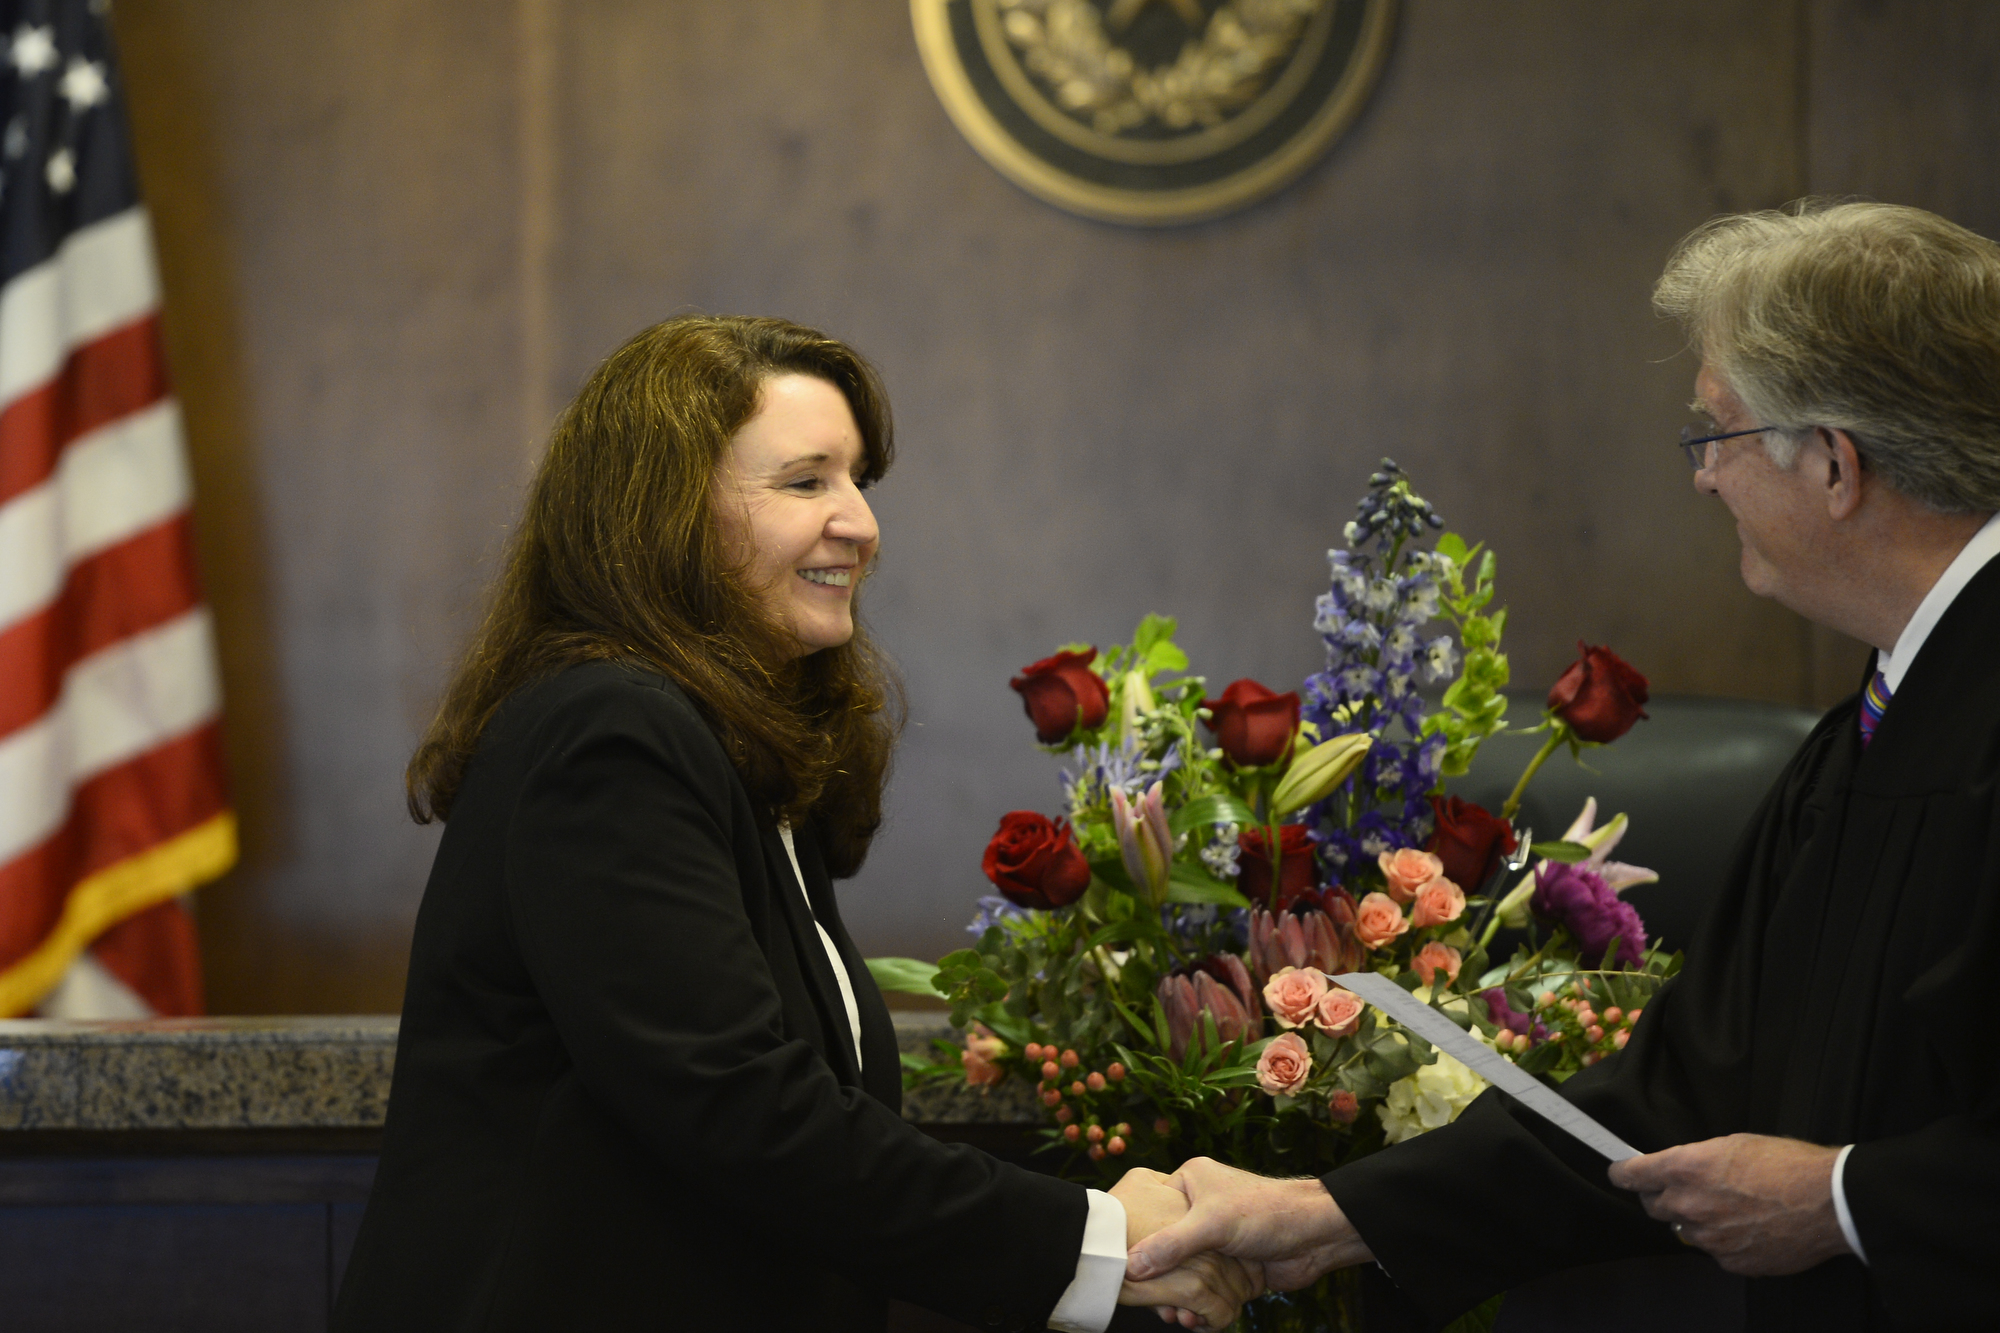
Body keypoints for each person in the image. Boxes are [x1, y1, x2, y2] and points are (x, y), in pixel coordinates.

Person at [1116, 201, 2000, 1332]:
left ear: (1831, 462)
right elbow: (1680, 1095)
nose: (1701, 479)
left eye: (1713, 434)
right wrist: (1323, 1214)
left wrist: (1844, 1200)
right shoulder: (1875, 727)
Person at [331, 315, 1254, 1332]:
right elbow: (742, 1109)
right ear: (664, 516)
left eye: (857, 480)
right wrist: (1098, 1242)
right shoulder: (613, 729)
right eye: (805, 481)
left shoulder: (728, 747)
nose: (859, 523)